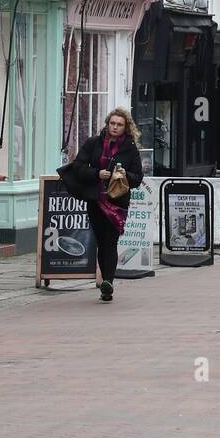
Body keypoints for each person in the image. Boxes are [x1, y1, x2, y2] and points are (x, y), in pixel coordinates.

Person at [65, 107, 143, 302]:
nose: (115, 127)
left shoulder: (130, 149)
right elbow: (78, 166)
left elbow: (138, 178)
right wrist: (96, 174)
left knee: (111, 242)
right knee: (101, 242)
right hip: (96, 200)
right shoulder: (94, 143)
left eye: (119, 125)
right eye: (112, 123)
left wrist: (125, 175)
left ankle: (108, 282)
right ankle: (106, 282)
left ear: (126, 128)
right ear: (107, 124)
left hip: (117, 203)